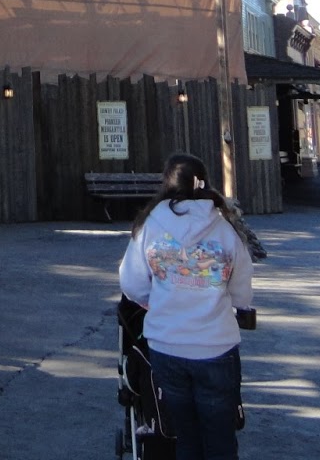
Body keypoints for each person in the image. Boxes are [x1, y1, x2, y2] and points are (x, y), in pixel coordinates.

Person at [118, 153, 253, 460]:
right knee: (220, 438)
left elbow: (131, 282)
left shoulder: (150, 226)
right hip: (216, 347)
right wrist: (237, 303)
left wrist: (157, 302)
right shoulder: (223, 228)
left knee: (185, 437)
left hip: (168, 346)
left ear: (167, 184)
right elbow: (242, 285)